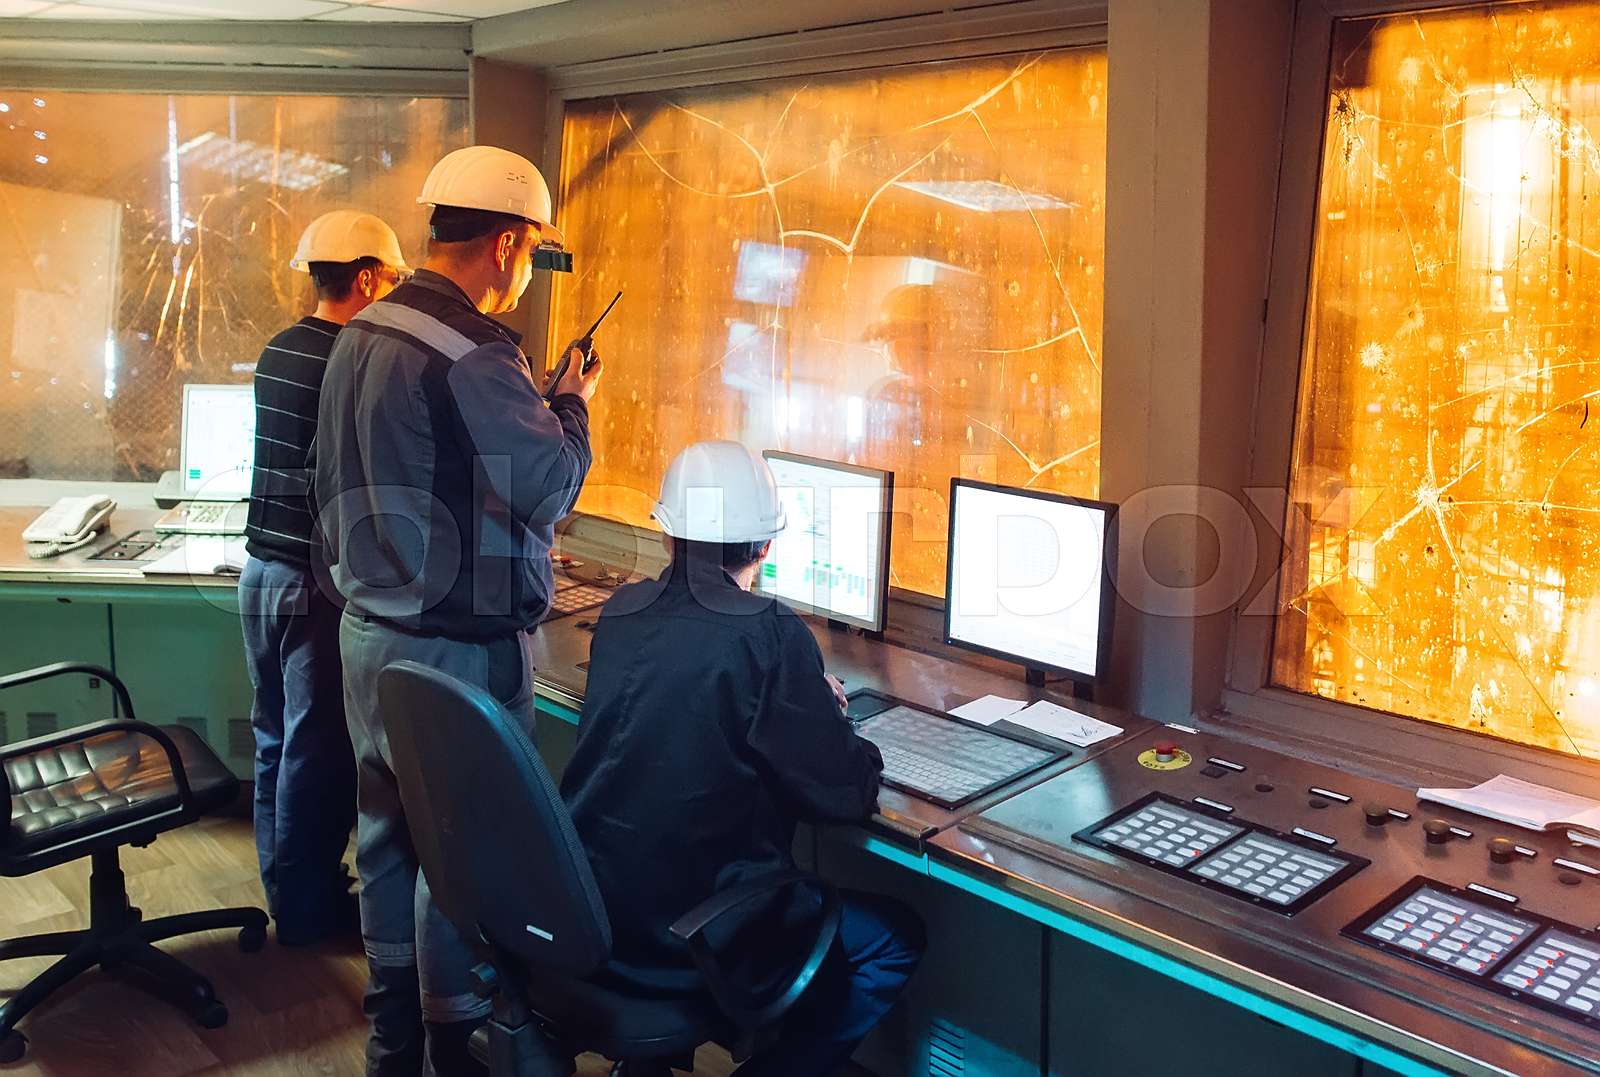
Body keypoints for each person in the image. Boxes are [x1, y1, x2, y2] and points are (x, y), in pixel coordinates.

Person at [311, 145, 600, 1076]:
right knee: (461, 858)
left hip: (367, 637)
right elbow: (547, 486)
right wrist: (571, 405)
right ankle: (453, 1045)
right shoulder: (477, 349)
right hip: (455, 653)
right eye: (529, 251)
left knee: (389, 838)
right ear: (509, 242)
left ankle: (393, 1042)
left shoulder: (365, 329)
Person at [561, 440, 925, 1077]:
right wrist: (827, 717)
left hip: (597, 916)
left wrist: (796, 703)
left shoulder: (620, 612)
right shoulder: (770, 634)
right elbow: (845, 795)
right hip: (698, 940)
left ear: (668, 537)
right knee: (893, 939)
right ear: (766, 546)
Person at [239, 210, 410, 948]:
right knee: (316, 750)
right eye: (395, 281)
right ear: (367, 277)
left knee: (275, 736)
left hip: (259, 571)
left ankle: (286, 891)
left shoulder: (279, 350)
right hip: (311, 583)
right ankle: (308, 914)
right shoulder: (349, 362)